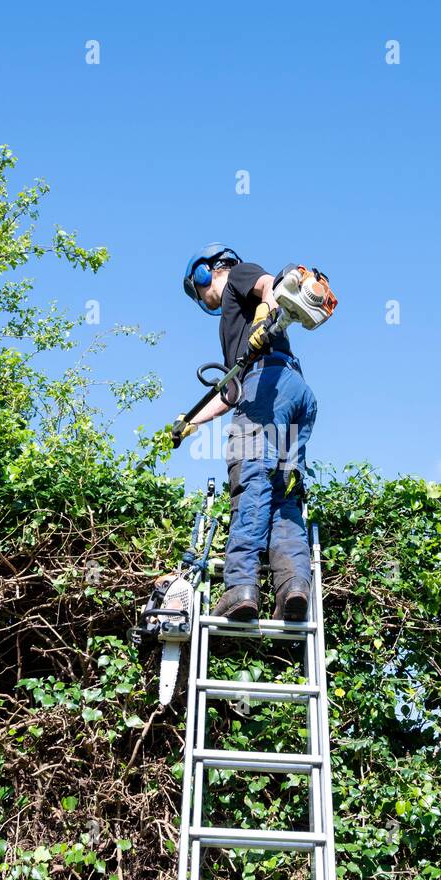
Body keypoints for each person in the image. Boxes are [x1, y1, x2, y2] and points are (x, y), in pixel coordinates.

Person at [174, 244, 318, 622]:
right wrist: (191, 423)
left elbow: (270, 284)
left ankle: (240, 587)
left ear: (205, 274)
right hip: (293, 390)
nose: (204, 299)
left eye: (198, 290)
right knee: (284, 494)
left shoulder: (235, 275)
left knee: (251, 482)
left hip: (266, 387)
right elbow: (230, 391)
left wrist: (262, 318)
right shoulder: (233, 330)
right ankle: (293, 588)